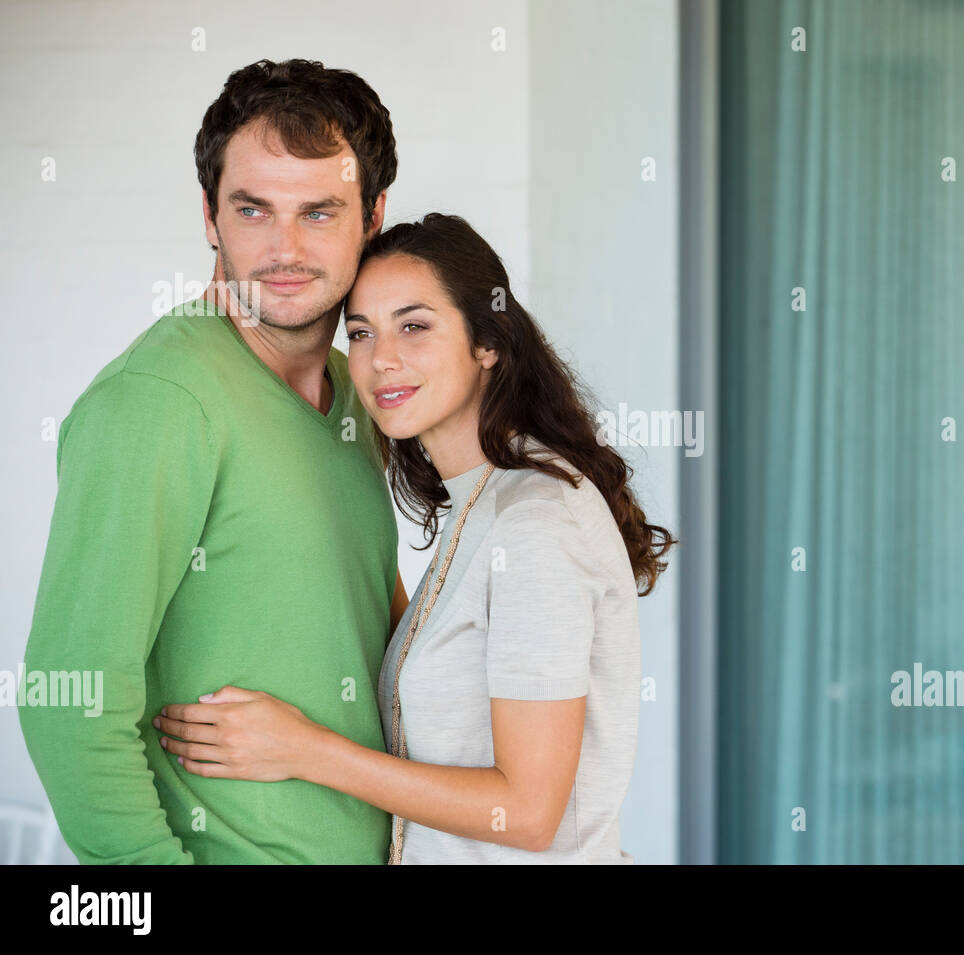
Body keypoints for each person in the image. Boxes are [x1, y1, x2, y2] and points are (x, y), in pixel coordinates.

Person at [153, 213, 676, 863]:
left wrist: (303, 748)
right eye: (362, 332)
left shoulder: (536, 524)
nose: (381, 359)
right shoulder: (478, 508)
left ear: (489, 341)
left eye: (414, 325)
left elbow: (528, 811)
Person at [19, 58, 406, 863]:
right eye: (253, 209)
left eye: (319, 213)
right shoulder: (158, 400)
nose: (285, 247)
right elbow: (68, 702)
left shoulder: (358, 392)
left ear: (371, 218)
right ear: (209, 215)